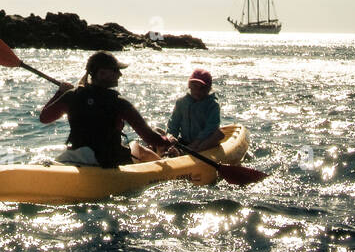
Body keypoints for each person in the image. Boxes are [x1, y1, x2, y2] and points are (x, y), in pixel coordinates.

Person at [39, 51, 169, 167]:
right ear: (101, 73)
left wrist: (60, 92)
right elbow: (150, 138)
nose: (120, 74)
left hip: (76, 157)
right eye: (115, 70)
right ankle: (166, 168)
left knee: (134, 146)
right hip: (106, 163)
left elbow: (44, 118)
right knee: (137, 147)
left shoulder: (72, 95)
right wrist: (168, 141)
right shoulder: (119, 103)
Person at [163, 68, 223, 154]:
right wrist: (171, 137)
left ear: (208, 89)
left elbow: (211, 127)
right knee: (157, 131)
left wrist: (196, 143)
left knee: (218, 134)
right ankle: (174, 152)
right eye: (195, 86)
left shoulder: (212, 105)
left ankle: (186, 152)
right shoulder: (181, 102)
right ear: (190, 86)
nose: (198, 91)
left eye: (202, 88)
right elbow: (173, 124)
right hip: (185, 141)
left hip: (203, 141)